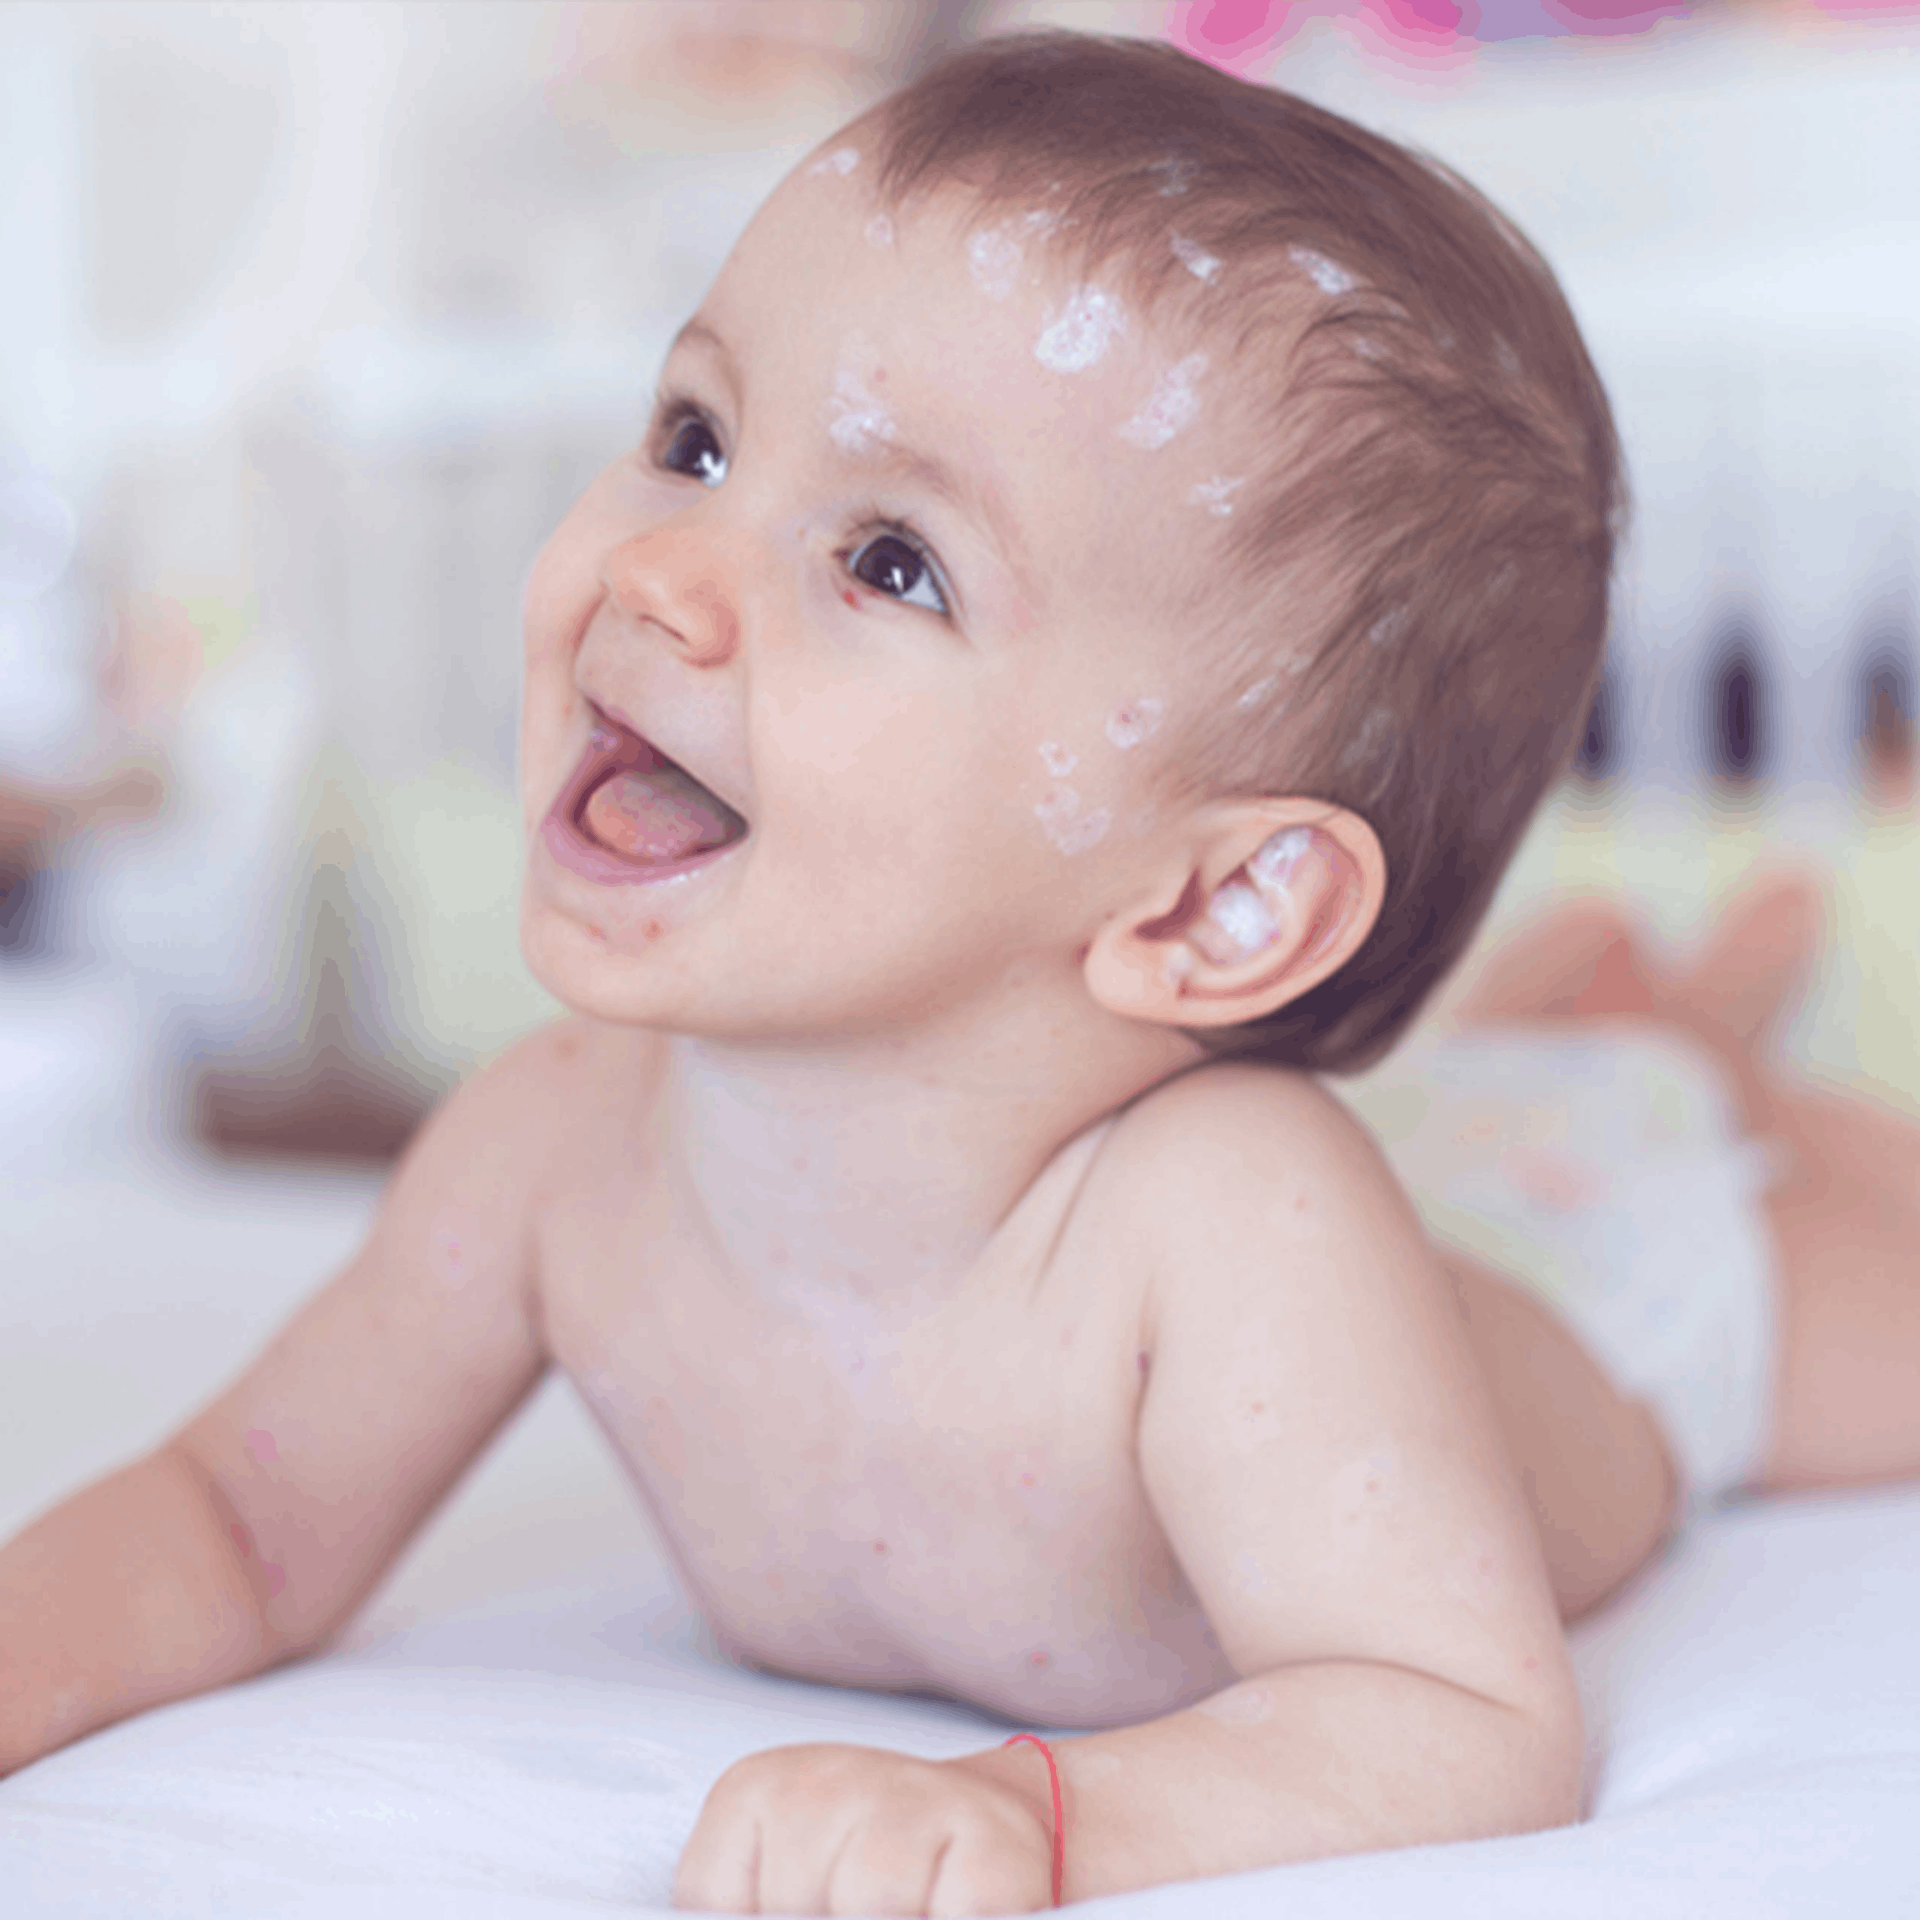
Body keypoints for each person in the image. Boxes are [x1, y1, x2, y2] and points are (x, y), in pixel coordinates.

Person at [4, 32, 1916, 1915]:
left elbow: (1459, 1713)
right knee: (1557, 1067)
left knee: (1754, 1188)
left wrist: (1045, 1814)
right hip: (1457, 1146)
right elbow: (236, 1522)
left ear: (1214, 909)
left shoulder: (1229, 1230)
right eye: (697, 437)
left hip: (1623, 1272)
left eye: (891, 563)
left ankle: (1699, 1042)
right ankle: (1629, 1004)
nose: (666, 571)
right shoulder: (548, 1154)